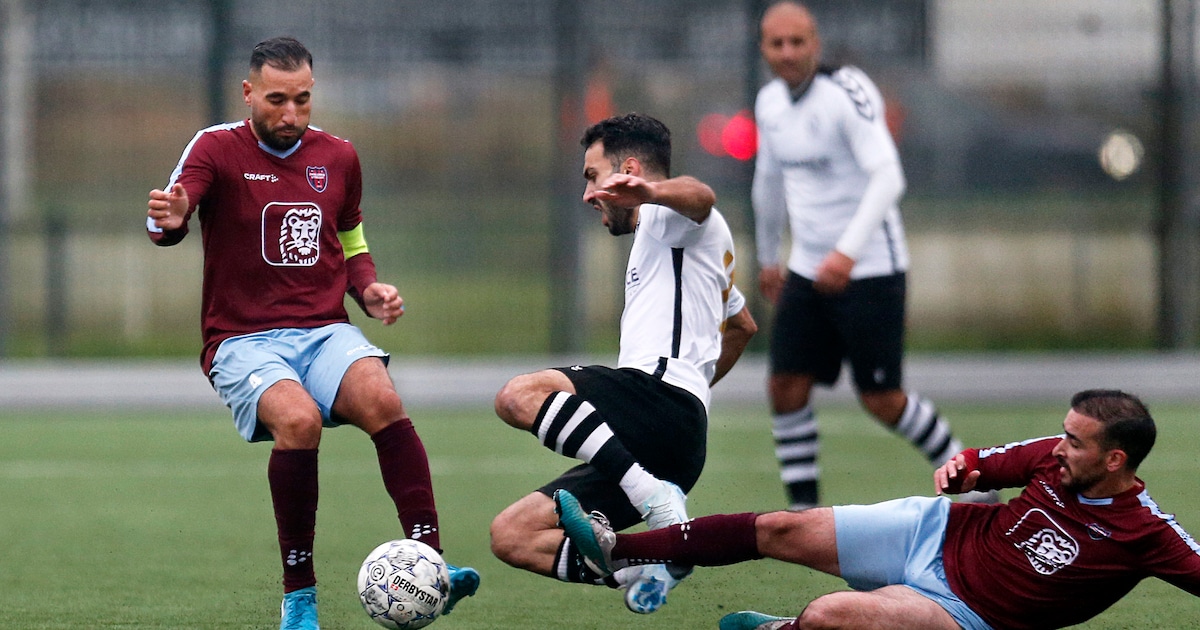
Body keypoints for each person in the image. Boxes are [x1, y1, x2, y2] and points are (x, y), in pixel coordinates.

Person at [145, 37, 478, 630]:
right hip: (242, 340)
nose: (291, 115)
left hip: (325, 330)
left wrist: (368, 287)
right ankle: (299, 596)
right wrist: (168, 222)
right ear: (248, 93)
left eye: (302, 100)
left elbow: (349, 238)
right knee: (297, 422)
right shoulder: (215, 148)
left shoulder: (340, 156)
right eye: (276, 100)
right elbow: (174, 209)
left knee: (383, 399)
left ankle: (433, 566)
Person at [557, 389, 1200, 629]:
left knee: (830, 618)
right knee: (782, 526)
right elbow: (978, 463)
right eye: (1061, 433)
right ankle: (620, 548)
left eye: (1076, 442)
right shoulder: (1048, 456)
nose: (1058, 448)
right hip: (935, 531)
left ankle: (781, 628)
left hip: (964, 613)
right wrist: (960, 470)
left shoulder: (1147, 533)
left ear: (1116, 461)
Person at [490, 113, 757, 615]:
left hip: (657, 401)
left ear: (629, 171)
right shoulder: (688, 252)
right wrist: (698, 391)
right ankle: (646, 567)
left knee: (517, 396)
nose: (589, 195)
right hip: (668, 441)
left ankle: (654, 500)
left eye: (593, 177)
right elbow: (742, 326)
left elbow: (702, 195)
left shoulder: (667, 216)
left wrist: (647, 194)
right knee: (512, 535)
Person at [751, 1, 991, 510]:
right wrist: (770, 257)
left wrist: (846, 253)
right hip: (805, 268)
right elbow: (768, 182)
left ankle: (969, 480)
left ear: (816, 44)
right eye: (778, 43)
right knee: (786, 386)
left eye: (799, 41)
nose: (789, 52)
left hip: (872, 267)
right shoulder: (769, 102)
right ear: (764, 49)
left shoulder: (848, 91)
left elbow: (889, 177)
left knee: (882, 400)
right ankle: (804, 510)